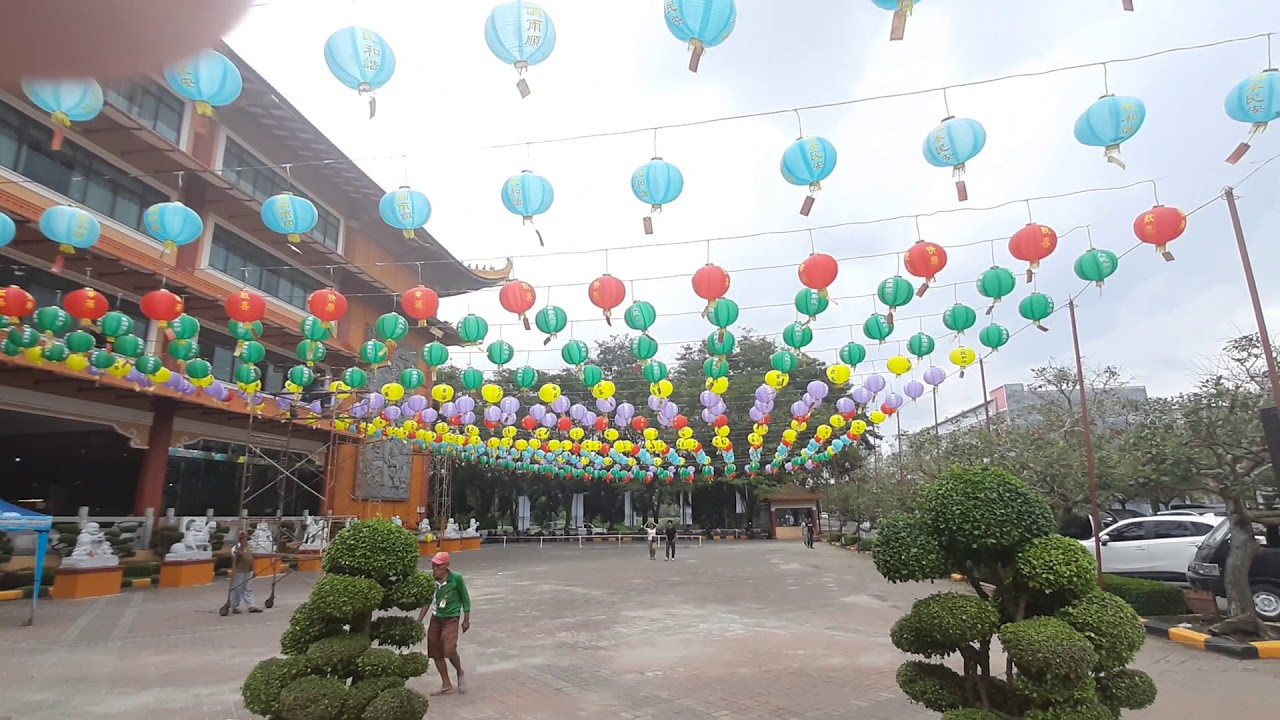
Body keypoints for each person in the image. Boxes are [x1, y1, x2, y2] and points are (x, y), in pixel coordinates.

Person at [418, 551, 471, 696]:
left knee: (449, 649)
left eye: (438, 566)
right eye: (433, 565)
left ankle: (460, 672)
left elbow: (465, 599)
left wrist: (466, 619)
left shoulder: (456, 578)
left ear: (446, 566)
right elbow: (427, 600)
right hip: (436, 618)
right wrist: (419, 620)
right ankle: (446, 684)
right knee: (435, 650)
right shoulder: (431, 580)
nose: (435, 569)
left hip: (451, 618)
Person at [229, 530, 262, 614]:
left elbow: (252, 558)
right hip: (239, 571)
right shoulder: (236, 547)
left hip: (249, 570)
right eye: (242, 537)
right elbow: (236, 559)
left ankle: (251, 606)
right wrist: (240, 549)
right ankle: (235, 606)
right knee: (237, 589)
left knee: (248, 588)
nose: (244, 538)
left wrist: (254, 569)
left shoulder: (249, 546)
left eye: (245, 537)